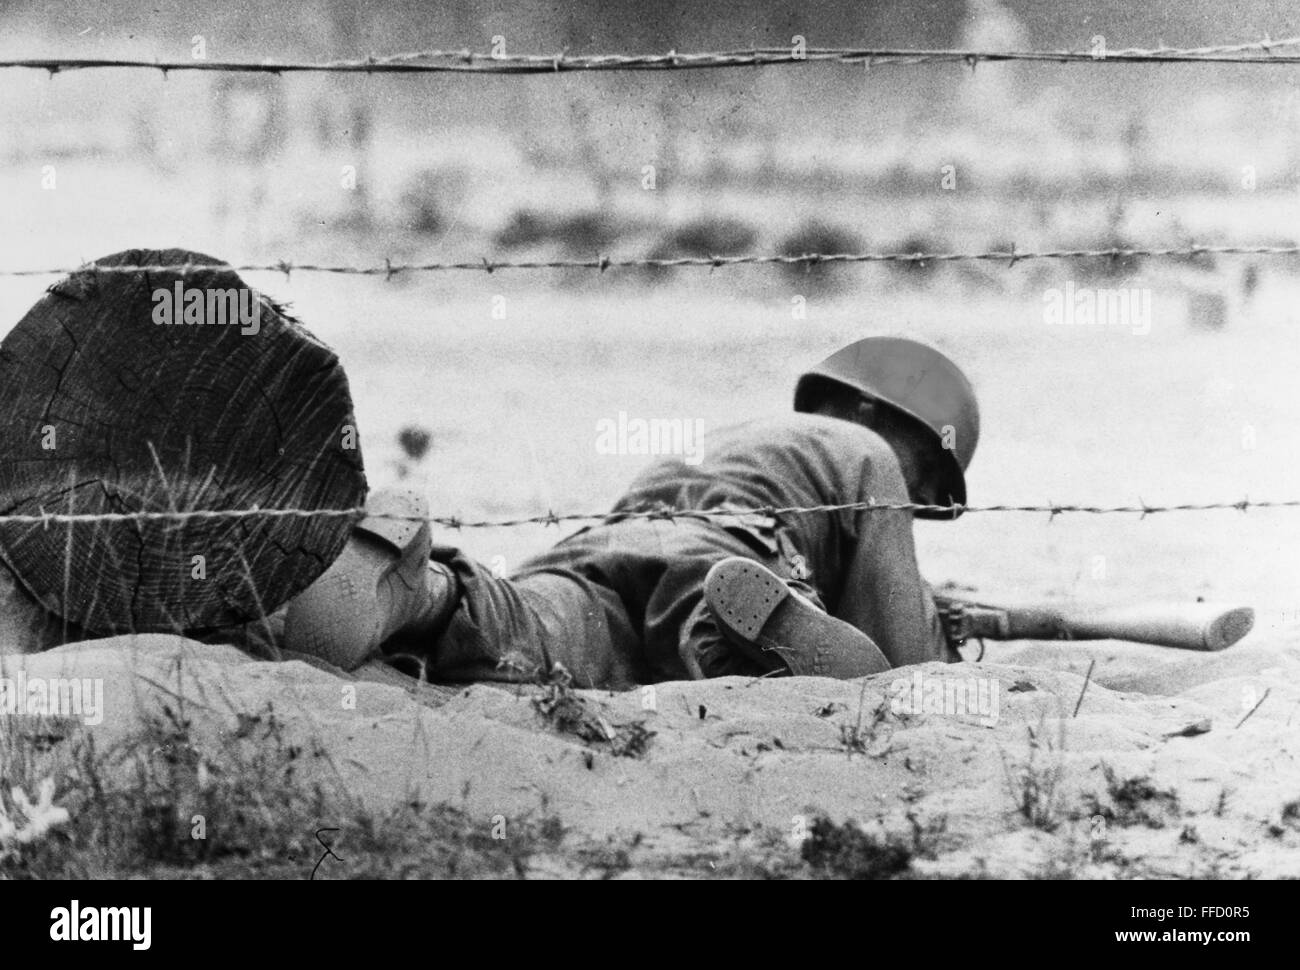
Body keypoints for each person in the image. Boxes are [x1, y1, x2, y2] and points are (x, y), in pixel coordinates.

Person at [285, 336, 980, 690]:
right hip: (727, 559)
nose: (911, 511)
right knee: (712, 623)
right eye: (921, 484)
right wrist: (938, 634)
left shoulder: (735, 441)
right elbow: (901, 661)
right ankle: (737, 640)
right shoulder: (865, 451)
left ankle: (418, 587)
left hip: (603, 548)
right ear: (873, 413)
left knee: (527, 627)